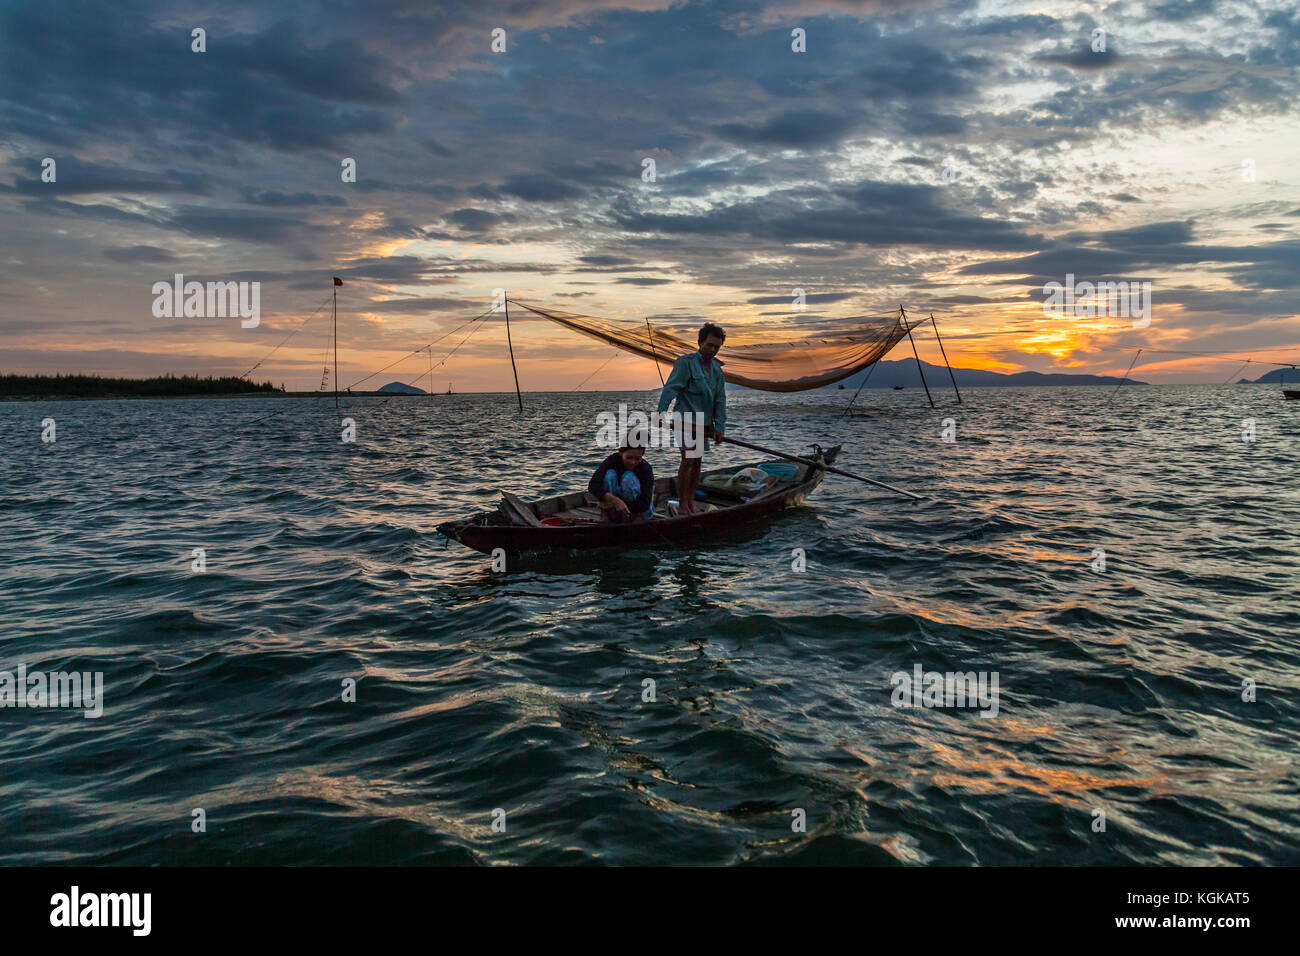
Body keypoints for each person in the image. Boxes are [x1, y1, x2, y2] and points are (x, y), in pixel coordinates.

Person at [656, 323, 726, 515]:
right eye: (709, 345)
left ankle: (691, 501)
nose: (712, 350)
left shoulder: (718, 370)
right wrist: (661, 413)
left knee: (697, 463)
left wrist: (719, 427)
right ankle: (683, 504)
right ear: (700, 342)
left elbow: (720, 400)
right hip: (685, 419)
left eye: (716, 347)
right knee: (688, 460)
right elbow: (671, 389)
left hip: (704, 424)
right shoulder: (685, 363)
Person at [588, 439, 654, 524]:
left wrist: (619, 505)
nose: (632, 462)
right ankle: (608, 515)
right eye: (629, 457)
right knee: (610, 474)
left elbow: (645, 504)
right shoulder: (611, 461)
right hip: (614, 507)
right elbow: (593, 485)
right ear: (621, 453)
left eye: (637, 459)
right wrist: (614, 500)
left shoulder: (646, 469)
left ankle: (632, 518)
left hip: (639, 511)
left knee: (628, 477)